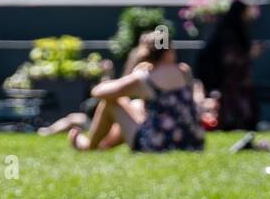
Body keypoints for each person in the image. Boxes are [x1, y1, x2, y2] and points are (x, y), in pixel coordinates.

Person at [69, 31, 205, 152]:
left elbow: (99, 92)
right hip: (192, 141)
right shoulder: (184, 71)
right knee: (137, 106)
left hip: (159, 144)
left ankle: (89, 147)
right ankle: (104, 146)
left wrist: (134, 70)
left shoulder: (144, 77)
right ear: (169, 50)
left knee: (113, 102)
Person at [194, 0, 259, 130]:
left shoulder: (232, 29)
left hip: (230, 80)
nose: (250, 16)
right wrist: (249, 55)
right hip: (226, 80)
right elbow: (230, 60)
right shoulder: (229, 33)